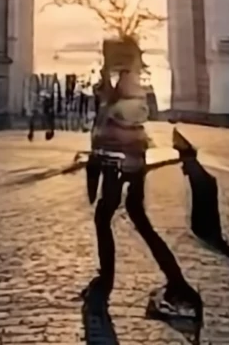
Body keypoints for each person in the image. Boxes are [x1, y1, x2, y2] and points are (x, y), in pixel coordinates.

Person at [84, 38, 201, 322]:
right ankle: (176, 281)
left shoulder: (122, 86)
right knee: (141, 222)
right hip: (130, 160)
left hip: (117, 162)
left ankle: (106, 278)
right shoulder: (131, 84)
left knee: (104, 217)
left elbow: (115, 115)